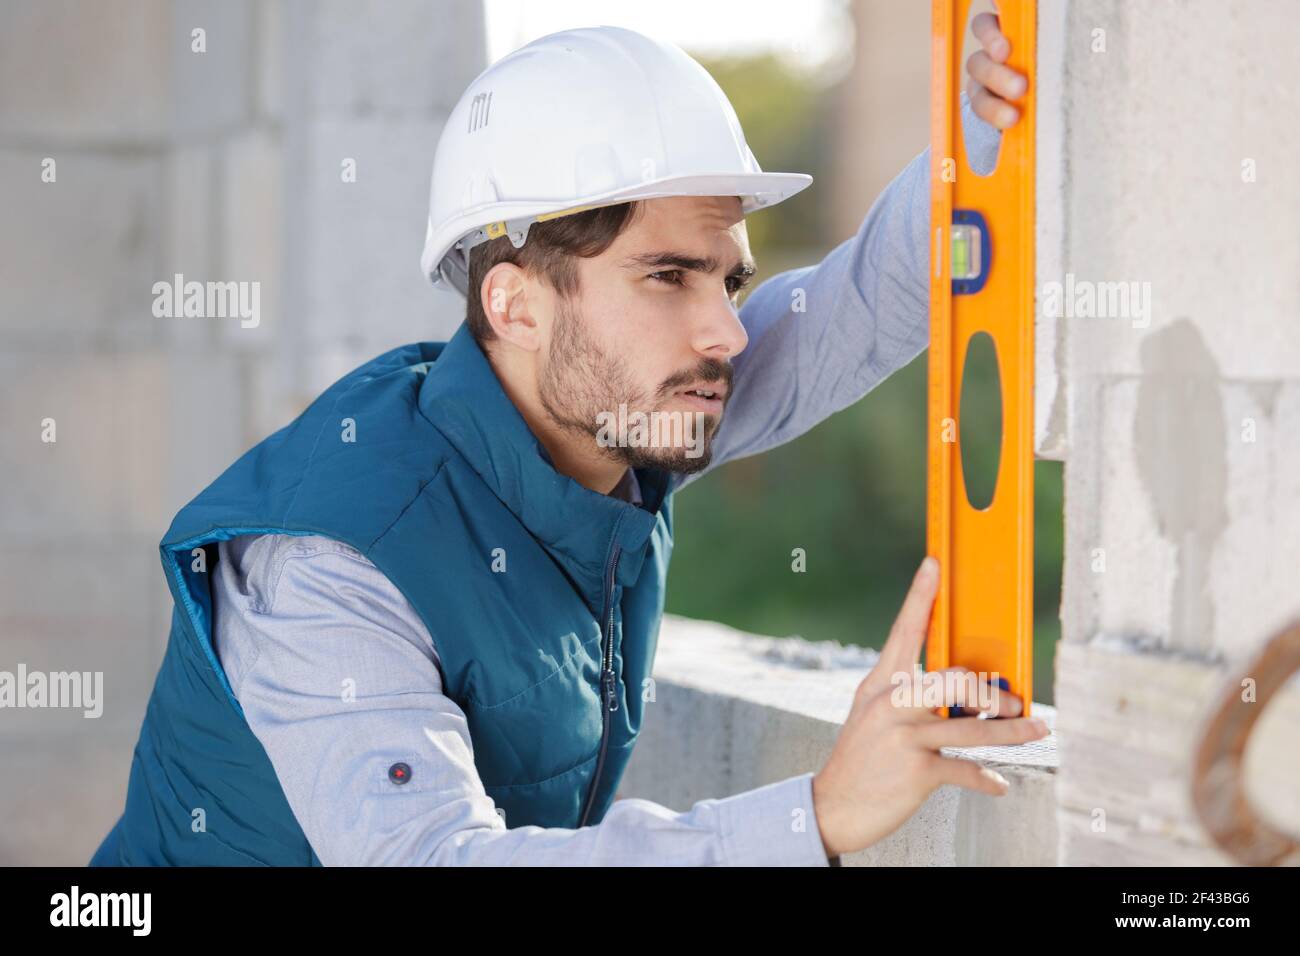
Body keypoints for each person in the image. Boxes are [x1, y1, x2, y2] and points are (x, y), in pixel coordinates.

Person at [90, 14, 1045, 867]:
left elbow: (864, 304)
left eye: (730, 281)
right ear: (515, 304)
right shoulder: (331, 566)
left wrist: (980, 127)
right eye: (668, 276)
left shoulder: (629, 415)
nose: (727, 333)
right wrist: (820, 813)